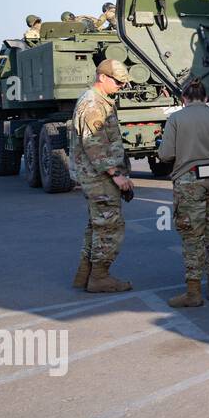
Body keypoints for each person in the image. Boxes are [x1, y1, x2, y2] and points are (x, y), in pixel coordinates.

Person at [156, 78, 209, 308]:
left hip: (189, 180)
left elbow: (165, 155)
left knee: (192, 236)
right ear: (206, 98)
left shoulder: (176, 119)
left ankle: (193, 292)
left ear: (183, 98)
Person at [70, 59, 134, 293]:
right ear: (103, 78)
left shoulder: (99, 100)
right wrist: (116, 174)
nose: (121, 86)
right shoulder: (93, 104)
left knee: (97, 225)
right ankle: (99, 277)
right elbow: (93, 144)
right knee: (109, 226)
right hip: (99, 176)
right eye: (118, 82)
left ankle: (84, 274)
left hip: (97, 174)